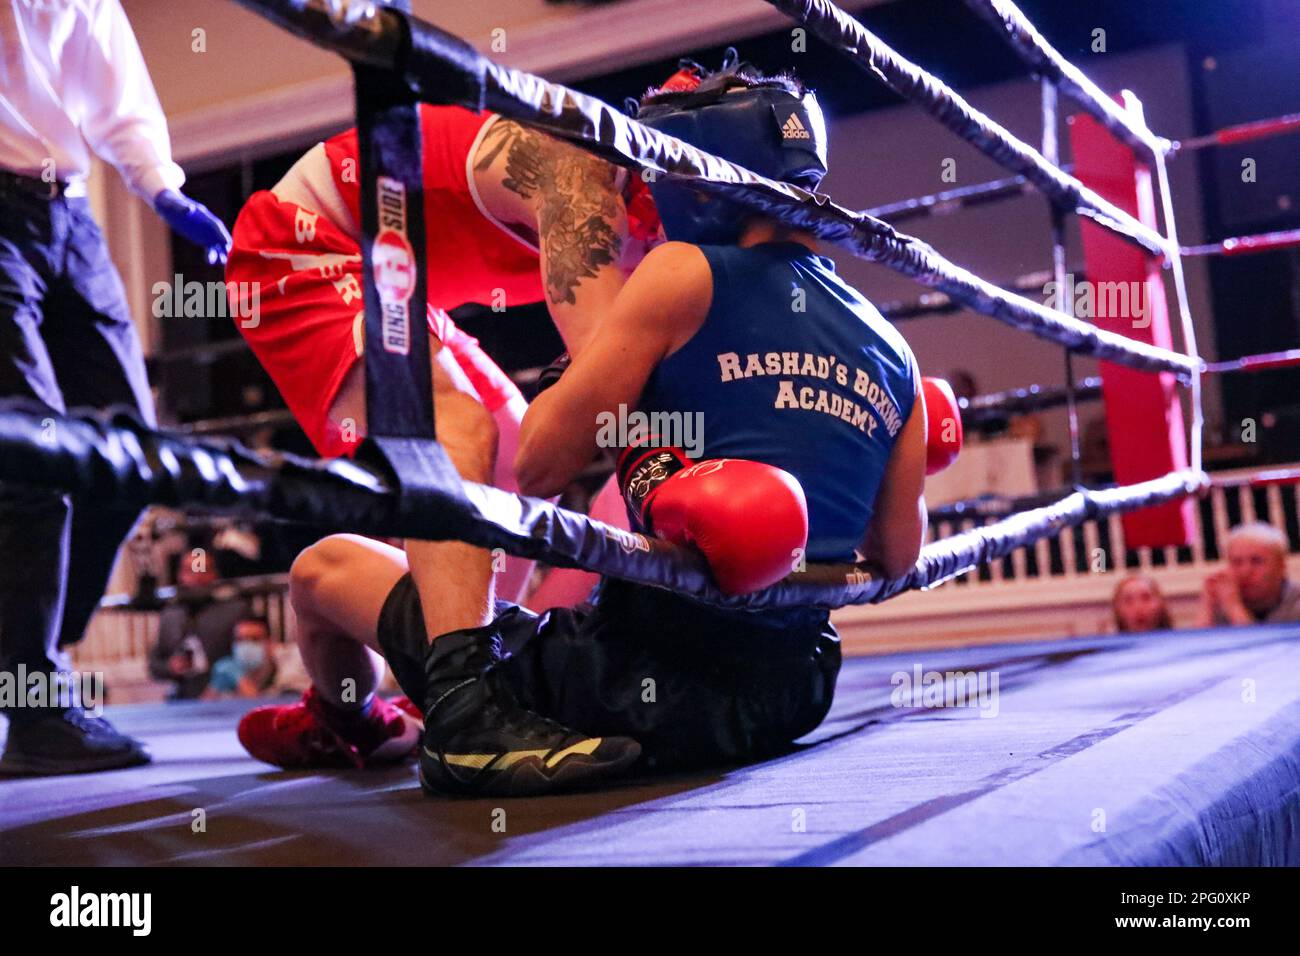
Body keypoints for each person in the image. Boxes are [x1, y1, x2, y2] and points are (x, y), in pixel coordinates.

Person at [240, 58, 949, 797]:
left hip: (415, 283)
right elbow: (609, 422)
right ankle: (462, 703)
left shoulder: (687, 246)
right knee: (459, 428)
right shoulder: (586, 181)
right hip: (312, 248)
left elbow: (569, 441)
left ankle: (420, 688)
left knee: (508, 460)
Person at [0, 0, 232, 776]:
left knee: (130, 455)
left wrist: (159, 184)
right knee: (34, 468)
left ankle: (28, 660)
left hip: (69, 211)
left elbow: (110, 85)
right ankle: (36, 708)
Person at [146, 544, 250, 700]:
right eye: (190, 570)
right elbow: (154, 665)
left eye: (203, 569)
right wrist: (171, 667)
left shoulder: (236, 611)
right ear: (180, 574)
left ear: (214, 574)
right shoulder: (170, 616)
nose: (197, 576)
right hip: (182, 702)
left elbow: (251, 659)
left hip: (226, 698)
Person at [1198, 521, 1300, 626]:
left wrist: (1234, 608)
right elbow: (1199, 641)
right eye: (1237, 562)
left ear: (1281, 565)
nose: (1245, 572)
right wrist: (1207, 606)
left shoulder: (1296, 601)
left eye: (1256, 561)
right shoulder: (1226, 598)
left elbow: (1262, 642)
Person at [206, 616, 279, 700]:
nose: (246, 646)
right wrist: (214, 687)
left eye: (254, 639)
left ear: (270, 644)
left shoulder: (287, 673)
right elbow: (202, 709)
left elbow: (260, 708)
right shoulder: (228, 672)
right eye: (240, 640)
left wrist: (241, 680)